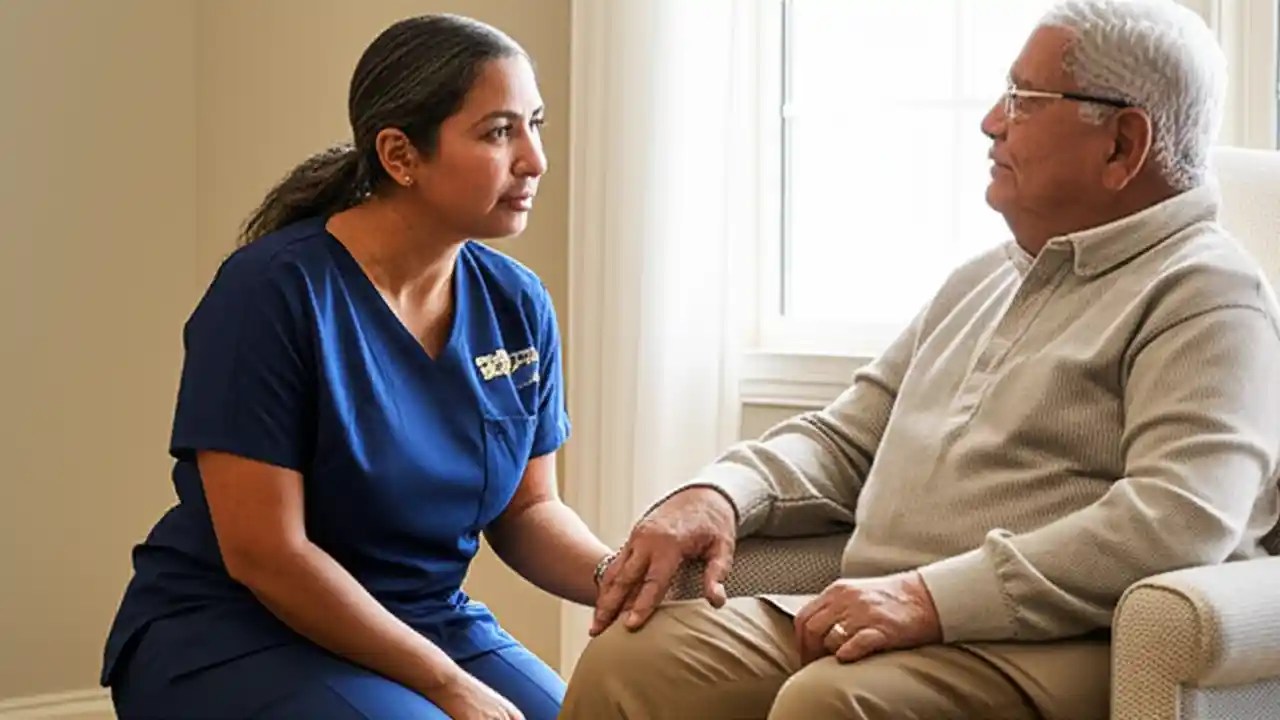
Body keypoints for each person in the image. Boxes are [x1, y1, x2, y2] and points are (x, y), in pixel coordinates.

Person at [561, 1, 1280, 718]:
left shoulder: (1207, 294)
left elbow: (1176, 520)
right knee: (635, 661)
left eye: (1024, 100)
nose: (991, 120)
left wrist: (930, 599)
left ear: (1123, 144)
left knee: (832, 704)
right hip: (883, 611)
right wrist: (719, 492)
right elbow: (844, 442)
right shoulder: (986, 277)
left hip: (1061, 641)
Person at [100, 14, 613, 720]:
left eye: (536, 123)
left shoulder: (517, 303)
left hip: (424, 621)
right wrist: (446, 685)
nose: (535, 158)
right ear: (400, 156)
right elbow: (266, 555)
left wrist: (621, 579)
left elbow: (528, 511)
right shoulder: (270, 294)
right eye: (499, 132)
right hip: (237, 629)